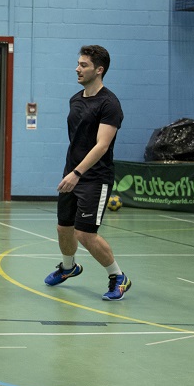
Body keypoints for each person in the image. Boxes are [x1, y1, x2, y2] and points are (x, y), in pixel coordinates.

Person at [44, 44, 131, 301]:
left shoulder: (110, 104)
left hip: (94, 177)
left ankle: (118, 277)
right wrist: (70, 171)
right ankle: (69, 268)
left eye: (84, 65)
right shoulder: (75, 99)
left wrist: (77, 173)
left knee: (85, 233)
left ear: (99, 70)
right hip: (72, 173)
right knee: (64, 229)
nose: (77, 68)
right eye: (78, 64)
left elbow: (102, 145)